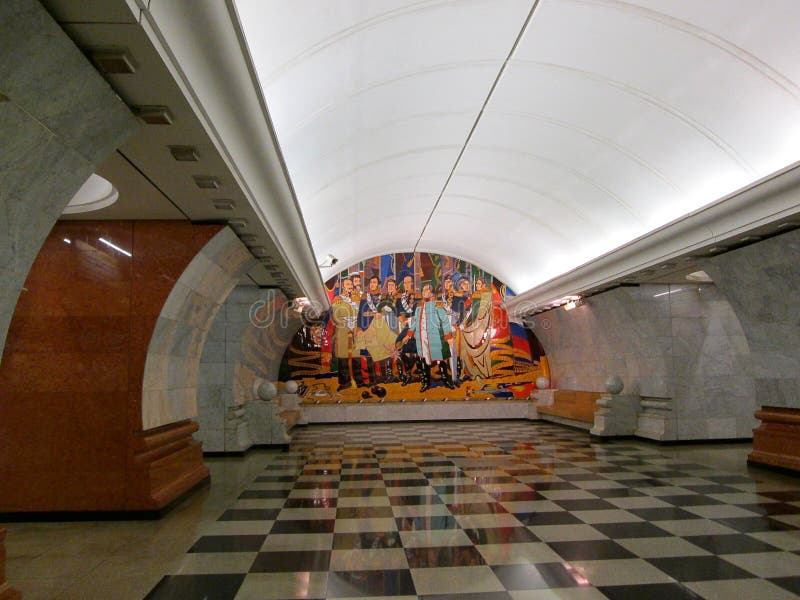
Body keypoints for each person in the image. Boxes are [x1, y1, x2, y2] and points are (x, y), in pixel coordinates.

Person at [404, 281, 455, 392]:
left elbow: (445, 321)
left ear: (431, 293)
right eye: (423, 290)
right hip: (421, 337)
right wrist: (409, 335)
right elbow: (415, 322)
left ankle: (446, 381)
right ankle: (426, 382)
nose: (424, 292)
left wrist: (449, 337)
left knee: (440, 358)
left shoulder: (437, 305)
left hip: (435, 337)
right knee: (424, 358)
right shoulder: (419, 307)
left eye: (426, 290)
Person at [331, 277, 362, 390]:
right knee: (343, 357)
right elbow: (335, 316)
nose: (350, 286)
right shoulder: (338, 300)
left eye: (351, 284)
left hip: (355, 332)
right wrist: (345, 322)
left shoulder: (357, 299)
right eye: (347, 284)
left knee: (356, 356)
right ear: (343, 287)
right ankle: (345, 382)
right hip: (343, 331)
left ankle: (358, 381)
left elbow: (361, 313)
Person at [459, 276, 493, 380]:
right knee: (474, 348)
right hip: (479, 323)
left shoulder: (483, 295)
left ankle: (481, 372)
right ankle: (473, 371)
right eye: (476, 283)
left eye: (478, 283)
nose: (476, 285)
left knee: (476, 348)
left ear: (484, 285)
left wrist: (466, 322)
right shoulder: (478, 294)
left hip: (480, 325)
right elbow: (469, 307)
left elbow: (476, 311)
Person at [395, 274, 418, 385]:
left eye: (409, 282)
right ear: (403, 284)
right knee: (399, 346)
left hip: (415, 325)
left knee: (413, 350)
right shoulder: (400, 299)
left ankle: (410, 373)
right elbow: (397, 312)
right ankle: (407, 373)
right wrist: (402, 319)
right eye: (405, 282)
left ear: (412, 283)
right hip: (405, 325)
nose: (407, 284)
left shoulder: (417, 296)